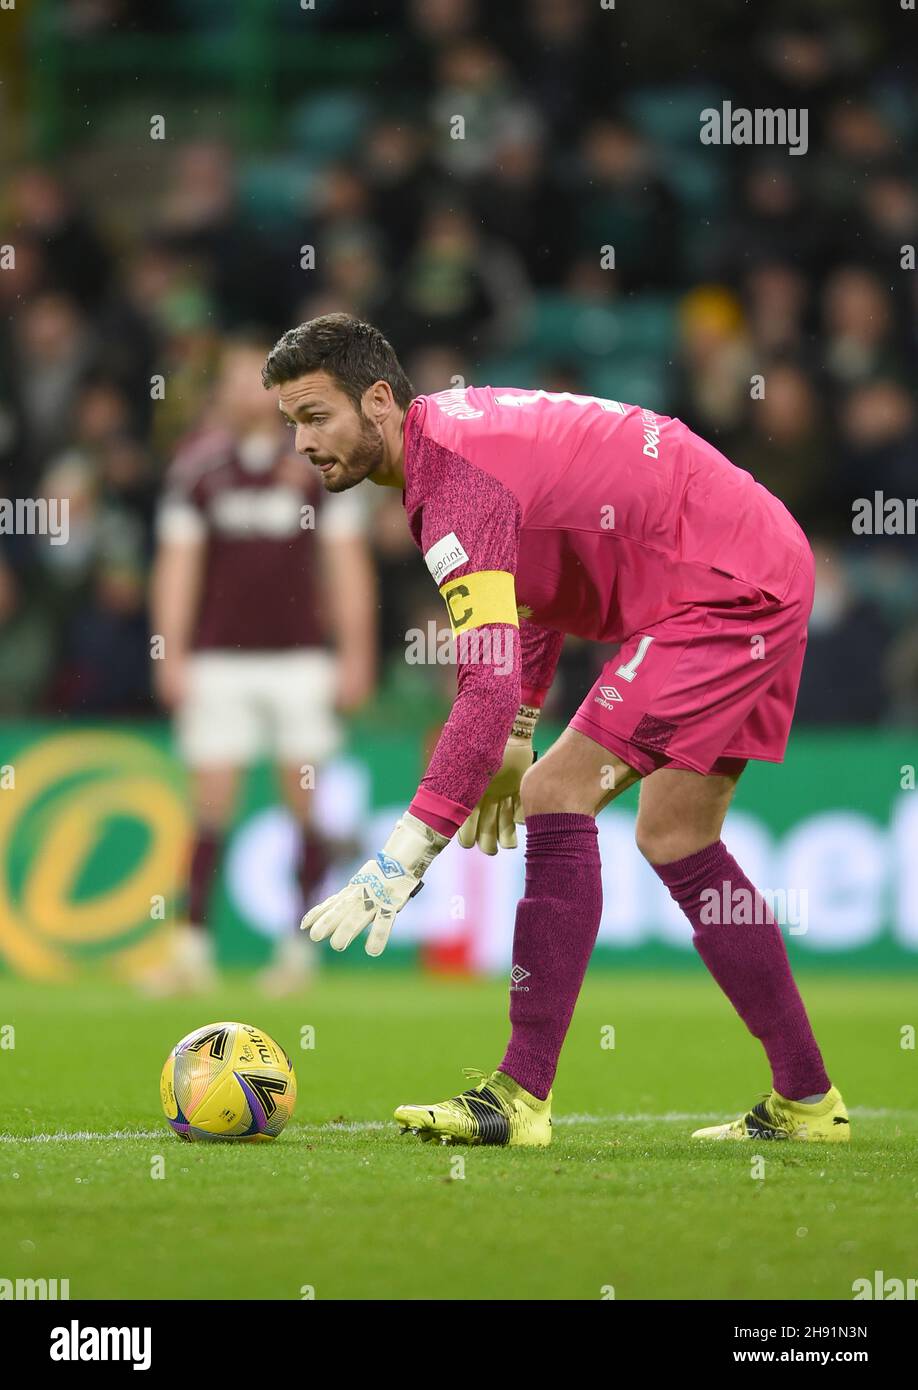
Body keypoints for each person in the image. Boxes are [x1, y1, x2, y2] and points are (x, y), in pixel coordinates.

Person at [261, 312, 849, 1147]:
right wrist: (519, 728)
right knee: (678, 834)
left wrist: (404, 857)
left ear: (380, 400)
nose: (303, 444)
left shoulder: (452, 482)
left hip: (722, 585)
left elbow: (485, 682)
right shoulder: (458, 442)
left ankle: (519, 1096)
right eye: (291, 424)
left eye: (315, 417)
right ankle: (807, 1102)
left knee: (557, 791)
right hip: (754, 556)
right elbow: (539, 582)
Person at [146, 335, 375, 996]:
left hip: (301, 659)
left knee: (302, 804)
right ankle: (191, 946)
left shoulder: (314, 460)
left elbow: (345, 563)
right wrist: (170, 651)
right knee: (210, 803)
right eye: (237, 379)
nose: (249, 391)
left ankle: (298, 952)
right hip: (219, 661)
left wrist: (355, 653)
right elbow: (178, 569)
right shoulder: (198, 468)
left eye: (259, 379)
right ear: (220, 390)